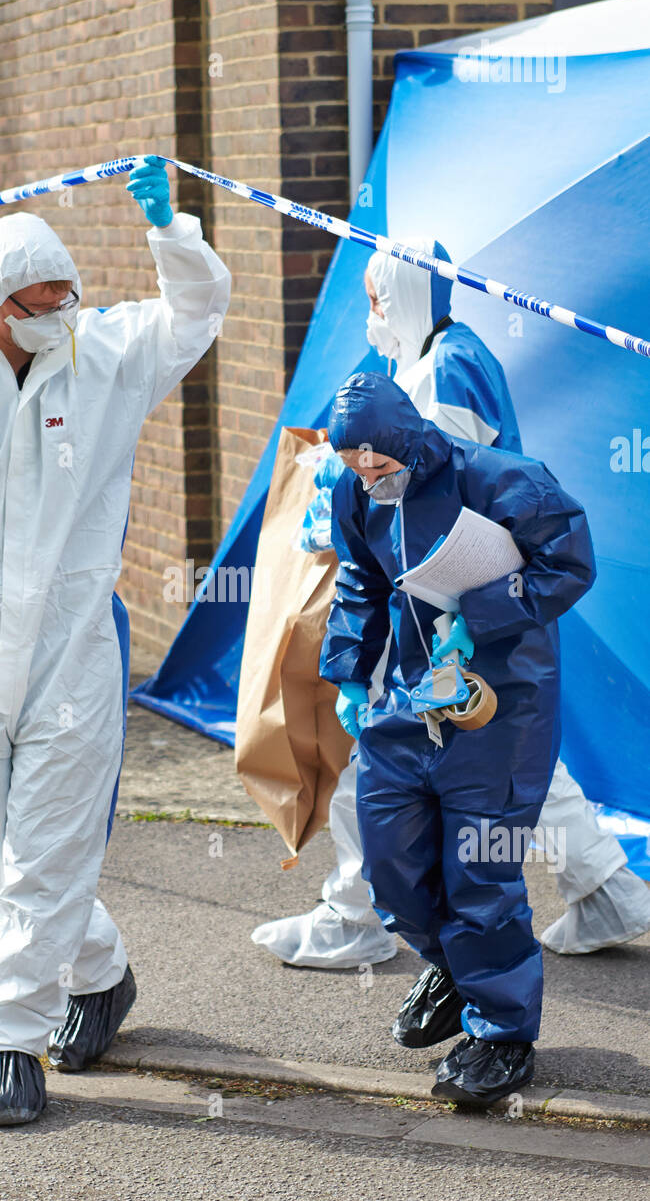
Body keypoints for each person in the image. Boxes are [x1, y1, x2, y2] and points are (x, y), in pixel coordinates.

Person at [0, 156, 231, 1127]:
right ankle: (101, 971)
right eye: (36, 305)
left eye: (67, 300)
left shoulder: (102, 354)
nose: (56, 318)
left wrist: (170, 231)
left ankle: (3, 1038)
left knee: (50, 847)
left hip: (74, 649)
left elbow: (193, 316)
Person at [253, 240, 650, 967]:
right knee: (505, 752)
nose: (371, 316)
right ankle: (603, 888)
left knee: (388, 757)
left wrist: (337, 510)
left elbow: (433, 496)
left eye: (378, 298)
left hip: (445, 607)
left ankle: (358, 916)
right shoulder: (448, 355)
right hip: (463, 608)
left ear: (401, 296)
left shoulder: (447, 367)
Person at [317, 370, 596, 1103]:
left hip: (504, 703)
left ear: (412, 436)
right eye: (354, 462)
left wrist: (484, 610)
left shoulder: (506, 481)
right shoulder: (355, 490)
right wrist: (348, 671)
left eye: (379, 460)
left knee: (481, 869)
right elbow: (359, 578)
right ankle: (455, 967)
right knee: (392, 864)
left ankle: (503, 1034)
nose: (368, 474)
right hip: (412, 696)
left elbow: (569, 563)